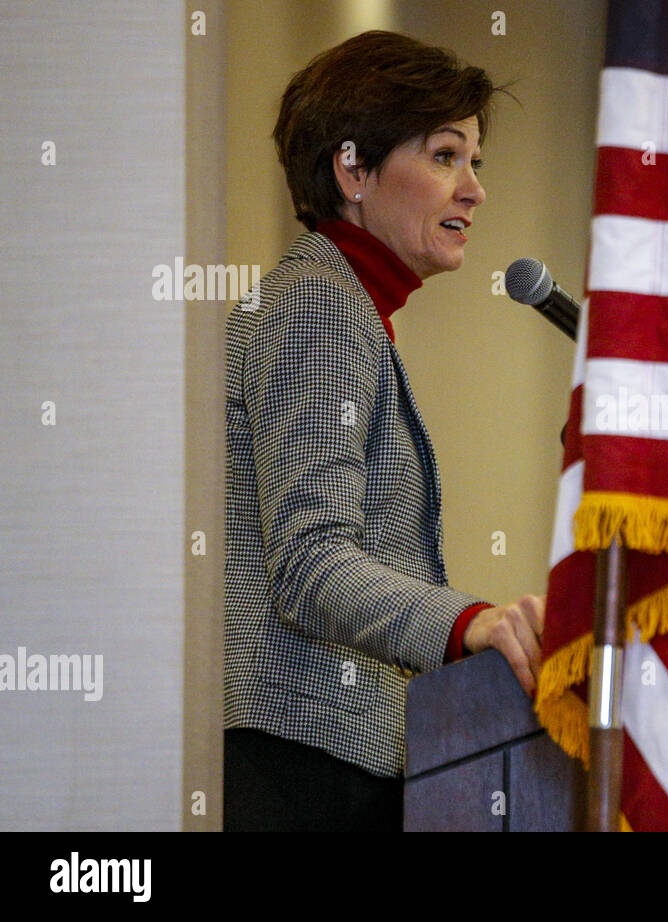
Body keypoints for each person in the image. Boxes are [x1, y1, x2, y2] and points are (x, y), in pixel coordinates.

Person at [223, 30, 540, 832]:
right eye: (443, 155)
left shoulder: (346, 309)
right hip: (305, 767)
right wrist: (471, 621)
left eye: (475, 162)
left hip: (332, 761)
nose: (472, 189)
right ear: (353, 169)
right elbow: (309, 560)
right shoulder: (319, 305)